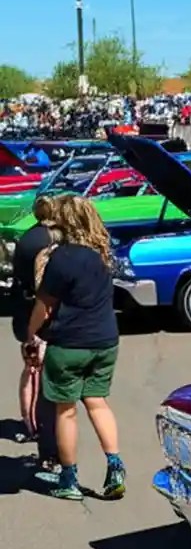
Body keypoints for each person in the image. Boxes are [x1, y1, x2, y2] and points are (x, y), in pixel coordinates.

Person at [25, 197, 123, 501]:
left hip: (69, 343)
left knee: (66, 411)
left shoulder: (62, 258)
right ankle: (115, 466)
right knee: (98, 402)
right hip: (105, 340)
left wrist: (32, 335)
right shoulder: (105, 254)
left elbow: (45, 306)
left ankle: (69, 479)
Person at [10, 195, 63, 469]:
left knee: (30, 368)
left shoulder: (26, 238)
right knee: (43, 371)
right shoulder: (56, 239)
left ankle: (28, 423)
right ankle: (41, 425)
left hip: (23, 308)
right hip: (44, 312)